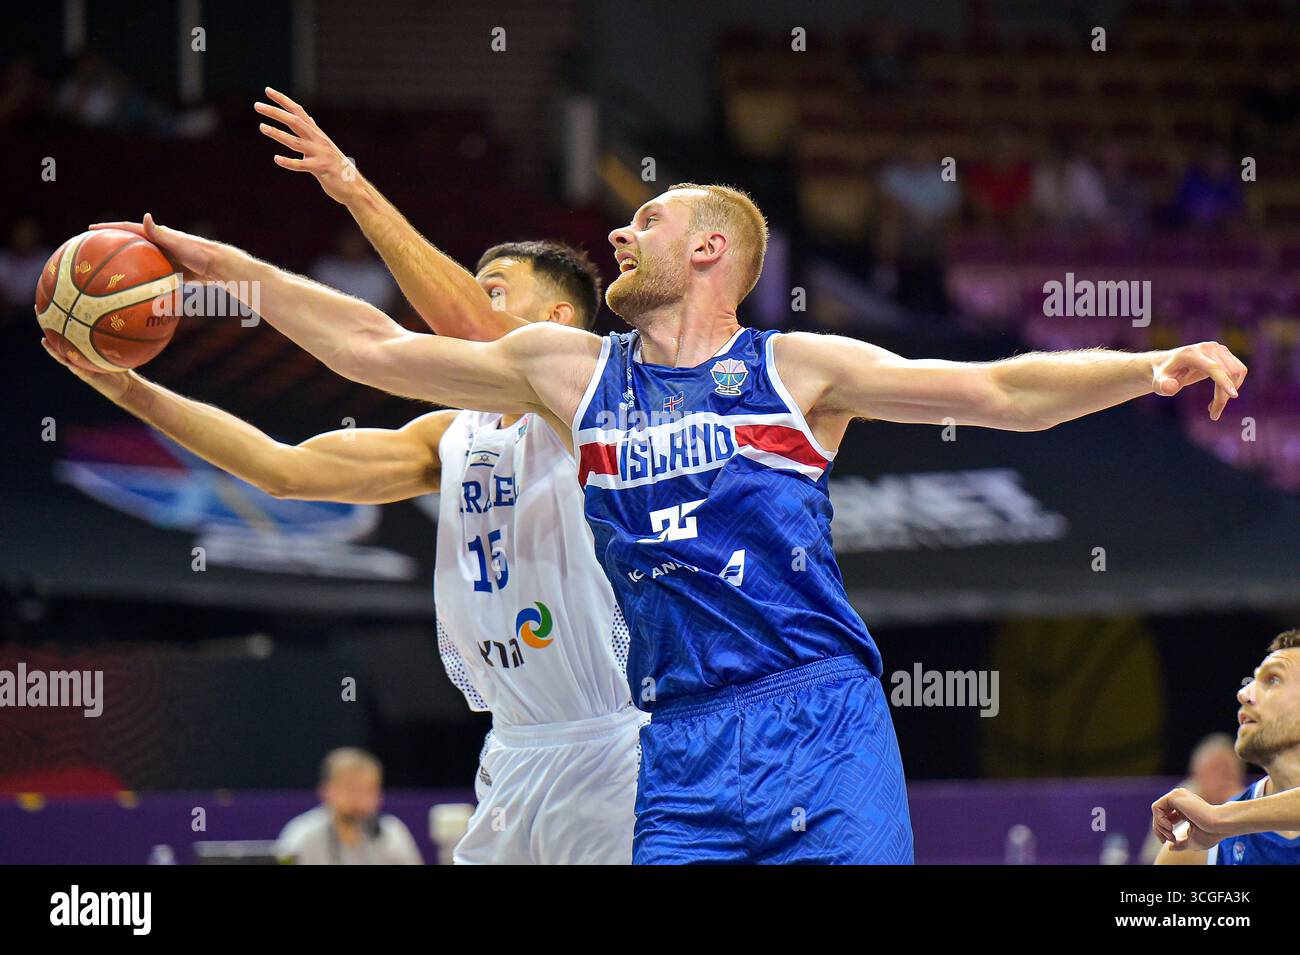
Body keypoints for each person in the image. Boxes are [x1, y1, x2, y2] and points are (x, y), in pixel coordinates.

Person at [94, 90, 1247, 864]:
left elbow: (999, 392)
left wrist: (1150, 363)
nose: (619, 236)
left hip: (813, 704)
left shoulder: (796, 367)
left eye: (644, 219)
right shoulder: (570, 371)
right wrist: (229, 270)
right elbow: (375, 350)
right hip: (678, 732)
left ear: (710, 252)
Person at [42, 227, 643, 865]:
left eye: (491, 291)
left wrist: (260, 246)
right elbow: (282, 470)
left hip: (607, 739)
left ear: (559, 322)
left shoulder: (589, 410)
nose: (469, 304)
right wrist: (131, 391)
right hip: (513, 746)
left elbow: (438, 338)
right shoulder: (450, 436)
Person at [1153, 629, 1300, 864]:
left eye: (1273, 679)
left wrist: (1219, 818)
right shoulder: (1192, 850)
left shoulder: (1216, 823)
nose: (1244, 693)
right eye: (1252, 681)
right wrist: (1218, 820)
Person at [276, 748, 423, 865]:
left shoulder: (391, 833)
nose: (359, 799)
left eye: (368, 790)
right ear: (326, 792)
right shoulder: (302, 836)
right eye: (350, 789)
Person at [1138, 732, 1244, 864]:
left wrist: (1237, 804)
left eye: (1229, 772)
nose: (1224, 779)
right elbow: (1154, 855)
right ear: (1197, 775)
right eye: (1216, 770)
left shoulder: (1246, 801)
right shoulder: (1179, 801)